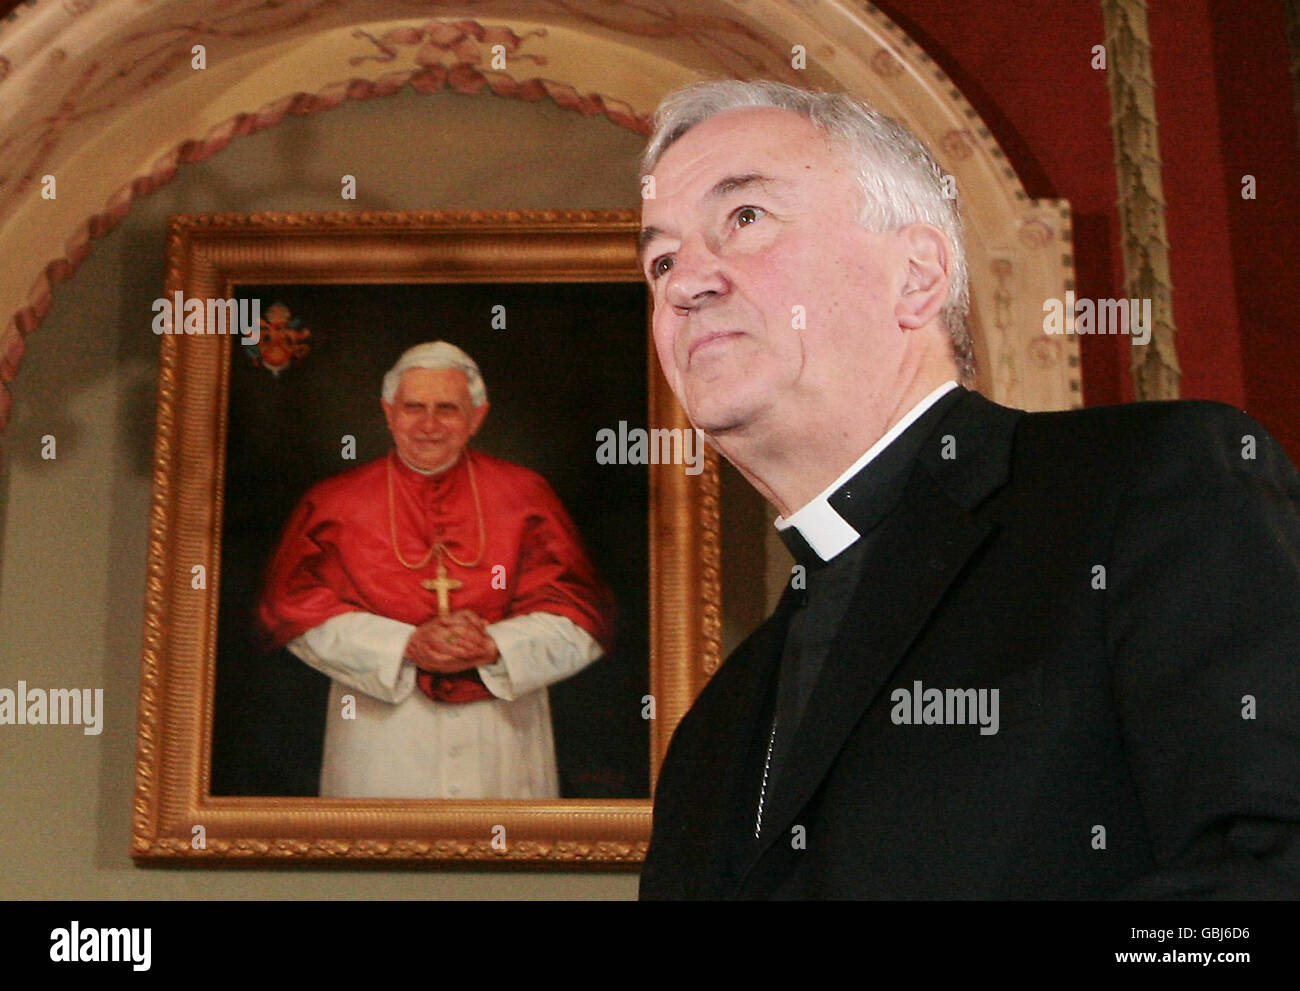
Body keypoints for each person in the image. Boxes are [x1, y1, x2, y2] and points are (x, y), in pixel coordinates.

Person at [636, 80, 1300, 899]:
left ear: (916, 275)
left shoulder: (1151, 485)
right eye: (660, 258)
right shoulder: (715, 727)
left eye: (744, 219)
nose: (682, 282)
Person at [258, 341, 614, 799]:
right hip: (379, 728)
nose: (428, 425)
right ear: (388, 413)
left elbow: (581, 614)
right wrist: (404, 644)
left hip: (501, 729)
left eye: (447, 409)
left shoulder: (525, 494)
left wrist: (495, 645)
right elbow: (293, 612)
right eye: (413, 408)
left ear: (477, 417)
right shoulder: (335, 503)